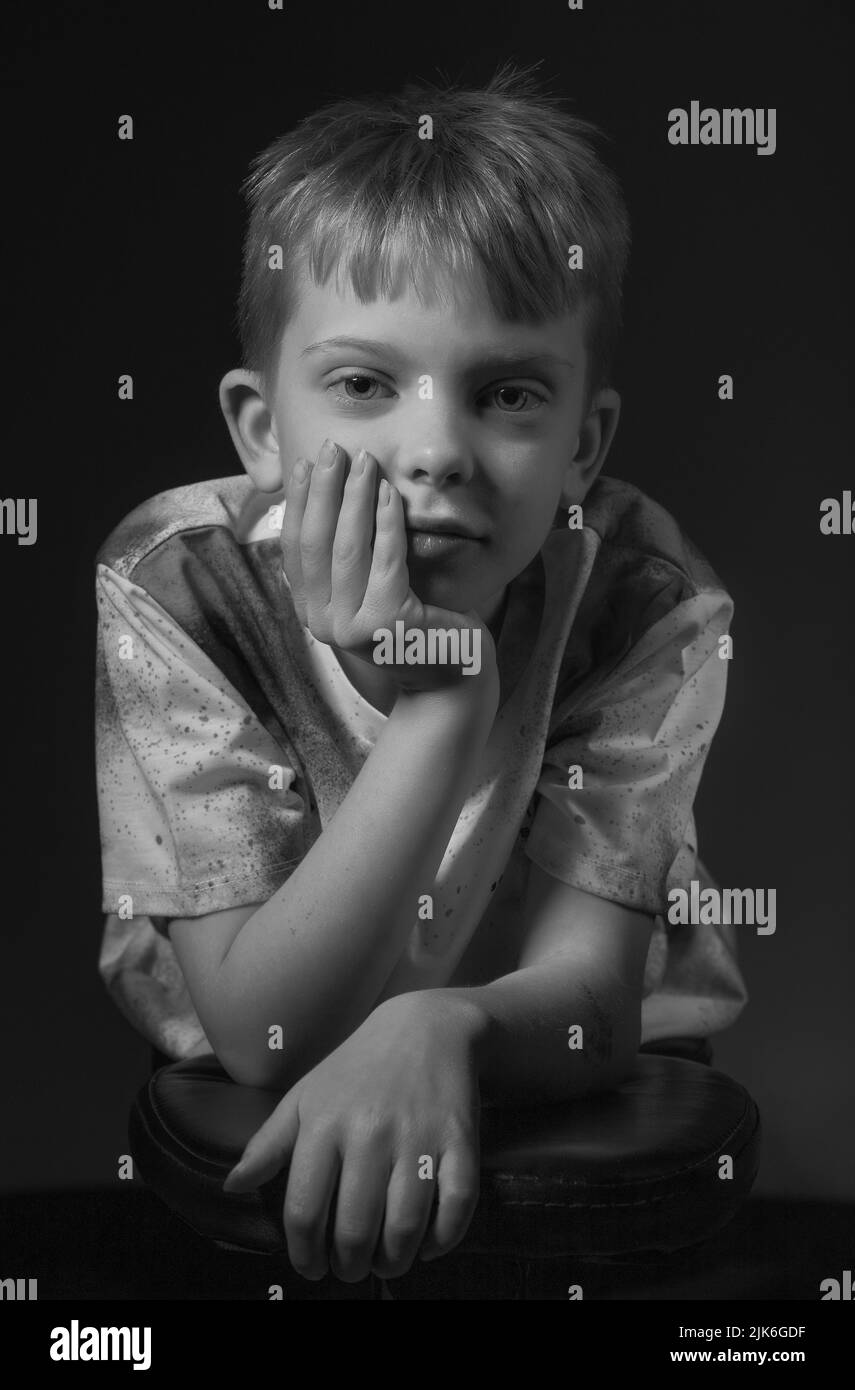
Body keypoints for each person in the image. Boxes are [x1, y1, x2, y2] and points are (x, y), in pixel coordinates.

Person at [94, 63, 747, 1284]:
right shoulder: (179, 586)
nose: (435, 451)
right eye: (361, 384)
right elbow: (261, 1030)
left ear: (583, 446)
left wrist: (435, 1019)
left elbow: (588, 1000)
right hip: (264, 1067)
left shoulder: (642, 599)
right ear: (258, 428)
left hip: (544, 1068)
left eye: (507, 393)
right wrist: (443, 703)